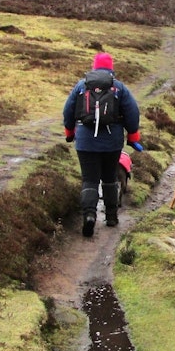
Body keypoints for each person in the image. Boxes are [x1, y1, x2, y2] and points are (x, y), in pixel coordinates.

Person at [63, 52, 141, 237]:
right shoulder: (119, 88)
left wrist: (70, 133)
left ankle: (89, 216)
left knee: (89, 179)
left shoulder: (81, 86)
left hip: (85, 142)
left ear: (94, 67)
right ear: (111, 68)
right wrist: (133, 137)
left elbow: (68, 110)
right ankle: (112, 216)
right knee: (109, 177)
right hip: (112, 142)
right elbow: (132, 113)